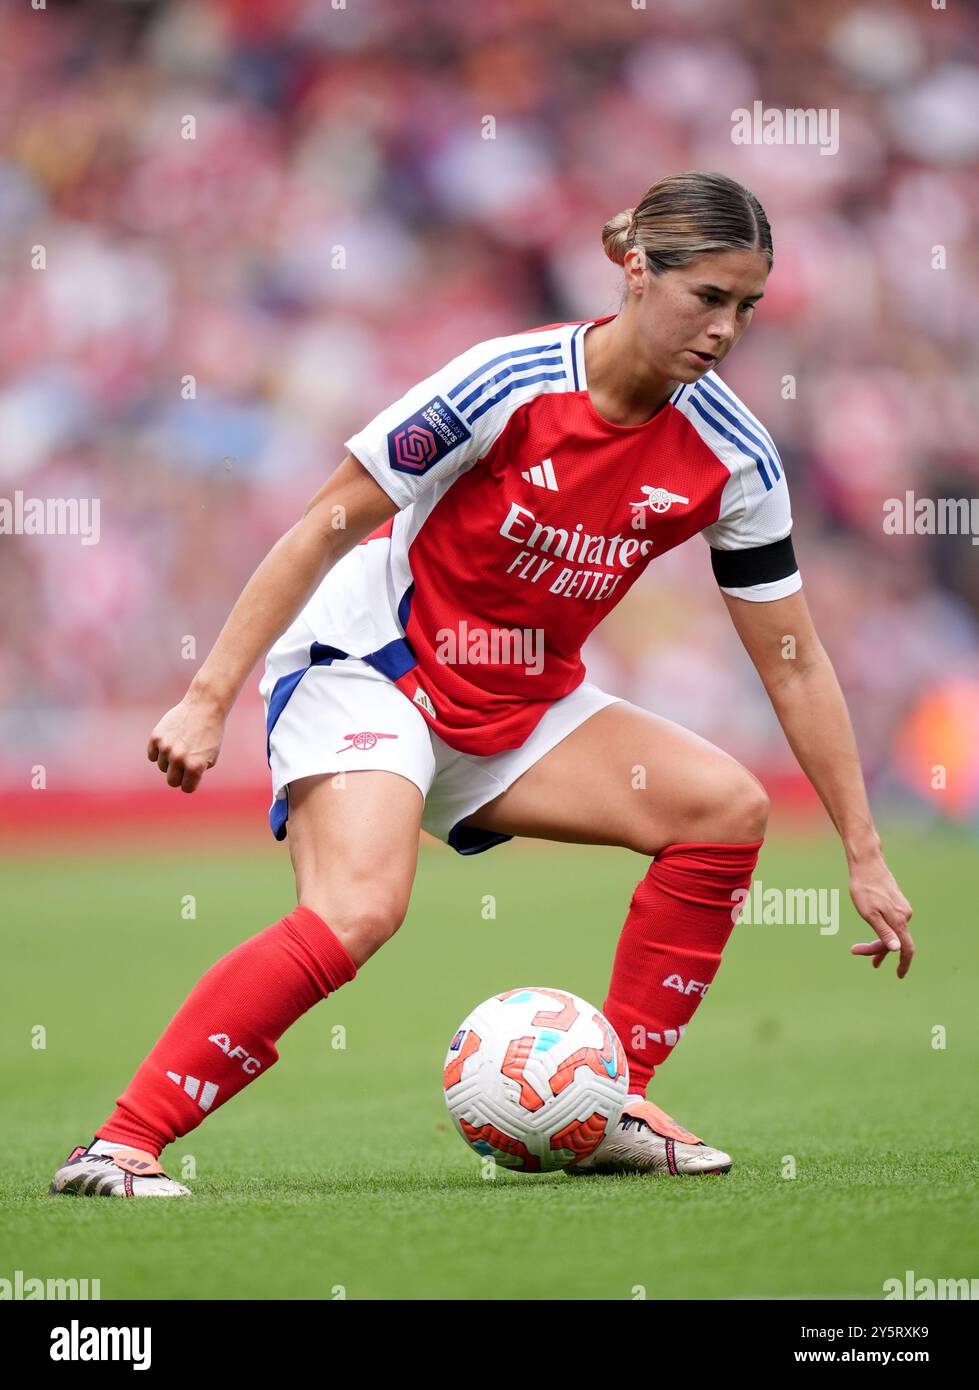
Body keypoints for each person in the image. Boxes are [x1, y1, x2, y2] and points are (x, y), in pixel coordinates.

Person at [51, 170, 913, 1198]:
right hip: (374, 669)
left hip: (519, 705)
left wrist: (863, 853)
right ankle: (119, 1145)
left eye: (746, 307)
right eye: (707, 298)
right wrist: (208, 695)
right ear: (637, 271)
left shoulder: (733, 457)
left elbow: (794, 657)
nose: (725, 329)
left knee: (722, 809)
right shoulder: (503, 383)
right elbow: (324, 522)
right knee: (361, 907)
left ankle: (609, 1104)